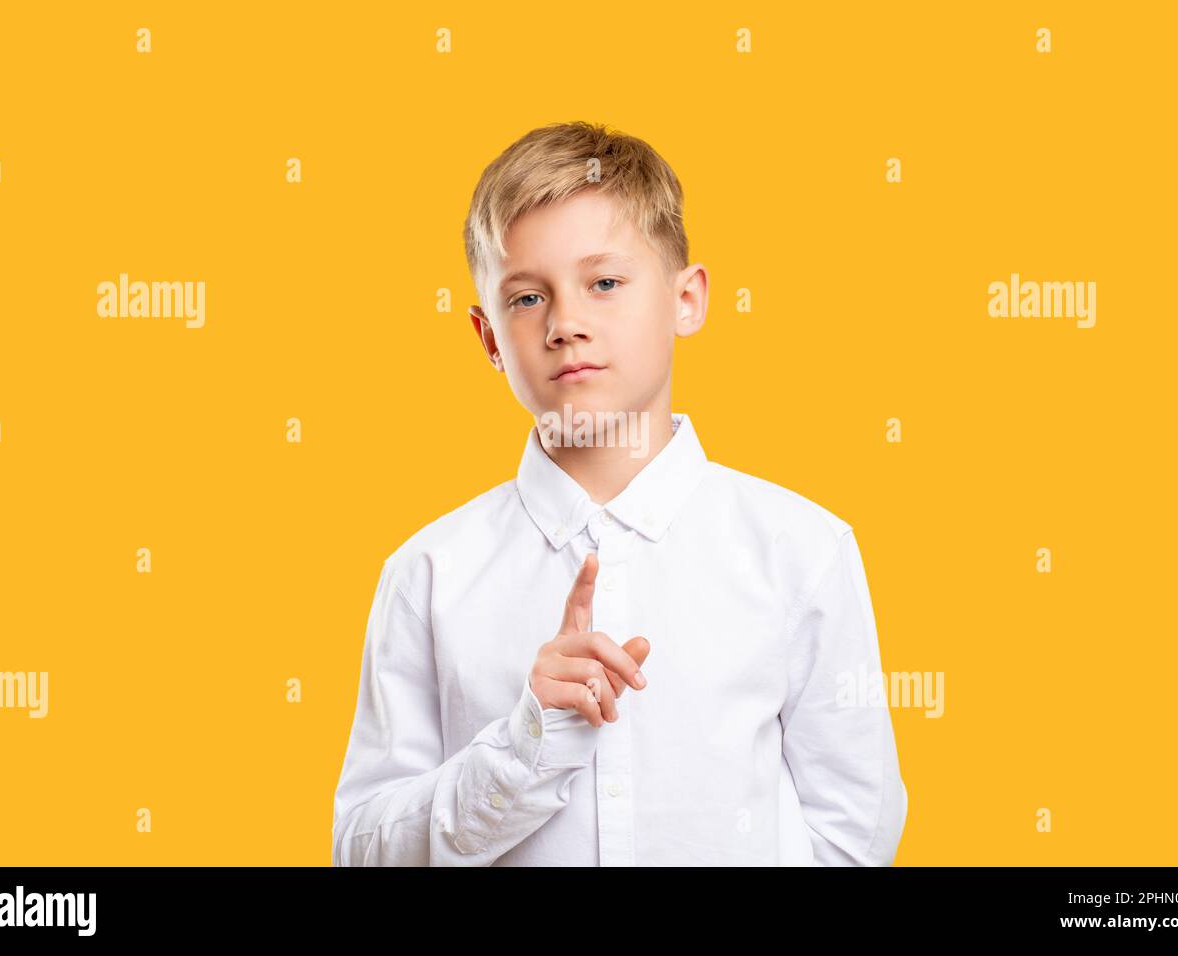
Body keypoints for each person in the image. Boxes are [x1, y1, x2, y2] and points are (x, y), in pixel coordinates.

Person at [331, 120, 907, 866]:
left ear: (686, 299)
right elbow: (363, 850)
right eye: (528, 298)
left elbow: (855, 833)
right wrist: (522, 746)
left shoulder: (802, 551)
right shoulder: (429, 574)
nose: (567, 324)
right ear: (488, 340)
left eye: (604, 283)